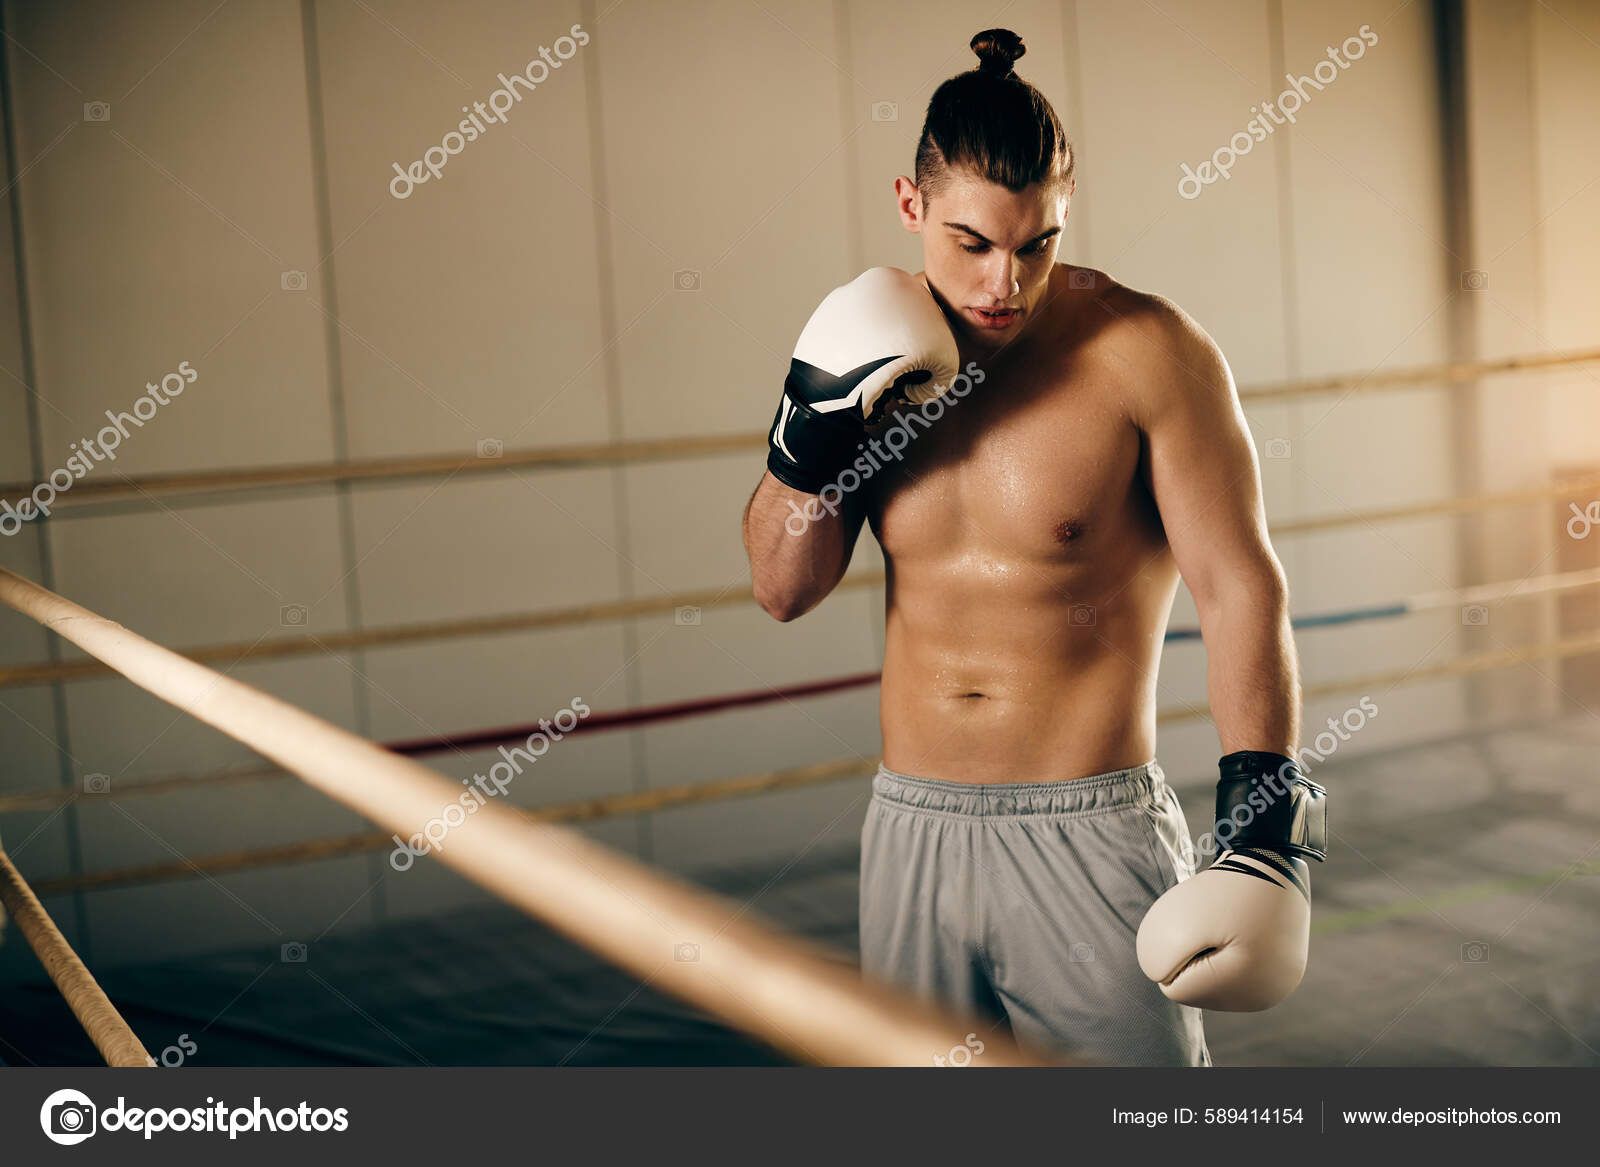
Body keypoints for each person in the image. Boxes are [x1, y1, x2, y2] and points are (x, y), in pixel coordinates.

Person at [741, 28, 1325, 1067]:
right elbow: (784, 591)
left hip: (1088, 830)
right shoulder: (862, 350)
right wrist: (804, 446)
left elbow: (1239, 587)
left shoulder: (1146, 352)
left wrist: (1266, 826)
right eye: (971, 243)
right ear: (909, 204)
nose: (1004, 281)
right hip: (910, 825)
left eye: (1036, 243)